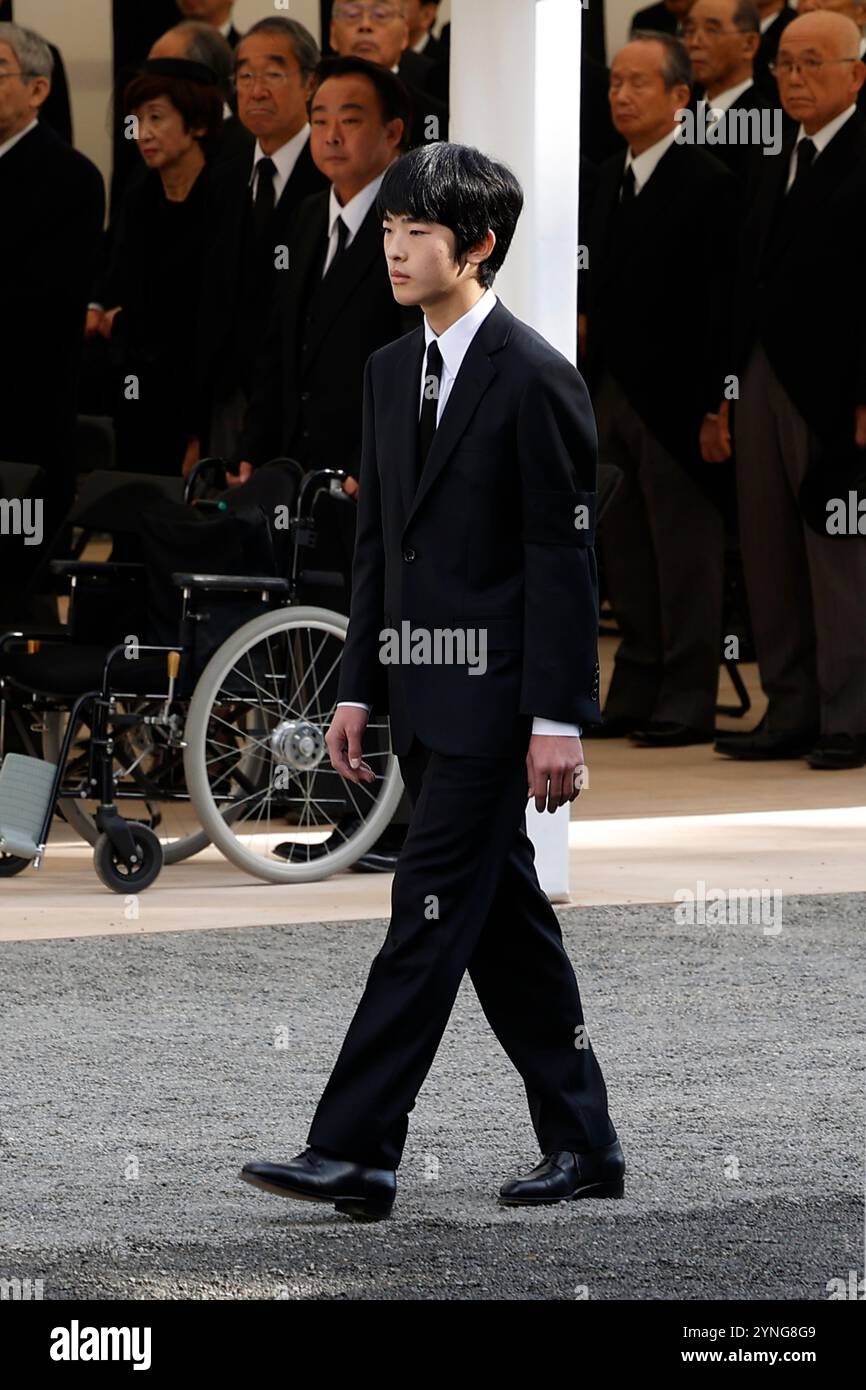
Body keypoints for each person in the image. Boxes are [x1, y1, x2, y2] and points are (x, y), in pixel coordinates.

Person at [240, 140, 623, 1221]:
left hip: (501, 707)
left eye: (417, 232)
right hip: (421, 696)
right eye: (390, 230)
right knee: (505, 932)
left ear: (479, 245)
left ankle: (354, 1148)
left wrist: (557, 716)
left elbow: (562, 557)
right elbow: (378, 552)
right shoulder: (383, 368)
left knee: (425, 910)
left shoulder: (538, 377)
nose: (395, 250)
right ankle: (585, 1143)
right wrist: (358, 687)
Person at [709, 11, 866, 769]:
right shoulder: (774, 155)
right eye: (785, 66)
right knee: (769, 553)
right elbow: (746, 278)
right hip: (763, 373)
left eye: (812, 63)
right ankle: (792, 707)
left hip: (840, 384)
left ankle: (851, 716)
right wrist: (727, 393)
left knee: (839, 555)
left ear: (856, 74)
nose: (795, 77)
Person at [582, 33, 736, 747]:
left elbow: (717, 304)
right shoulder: (602, 174)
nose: (621, 95)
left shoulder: (708, 180)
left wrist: (715, 402)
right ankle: (637, 685)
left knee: (684, 557)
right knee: (625, 553)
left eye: (640, 83)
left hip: (677, 398)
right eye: (615, 82)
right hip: (607, 387)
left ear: (681, 97)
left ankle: (687, 695)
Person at [199, 16, 328, 458]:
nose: (256, 90)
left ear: (310, 83)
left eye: (273, 74)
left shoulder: (331, 175)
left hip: (300, 403)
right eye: (245, 76)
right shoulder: (224, 170)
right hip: (225, 398)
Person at [0, 22, 104, 528]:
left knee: (20, 581)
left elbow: (47, 304)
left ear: (38, 89)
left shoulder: (72, 178)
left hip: (25, 413)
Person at [100, 59, 223, 476]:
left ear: (198, 124)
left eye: (156, 118)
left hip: (194, 393)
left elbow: (211, 317)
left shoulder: (222, 198)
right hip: (136, 386)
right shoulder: (140, 193)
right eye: (135, 120)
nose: (142, 133)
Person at [682, 0, 783, 184]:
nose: (694, 42)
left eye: (712, 30)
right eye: (689, 31)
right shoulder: (678, 112)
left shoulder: (769, 122)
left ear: (749, 44)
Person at [330, 0, 449, 144]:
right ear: (332, 34)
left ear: (404, 34)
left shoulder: (432, 116)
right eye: (351, 14)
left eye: (380, 15)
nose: (365, 25)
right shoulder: (310, 106)